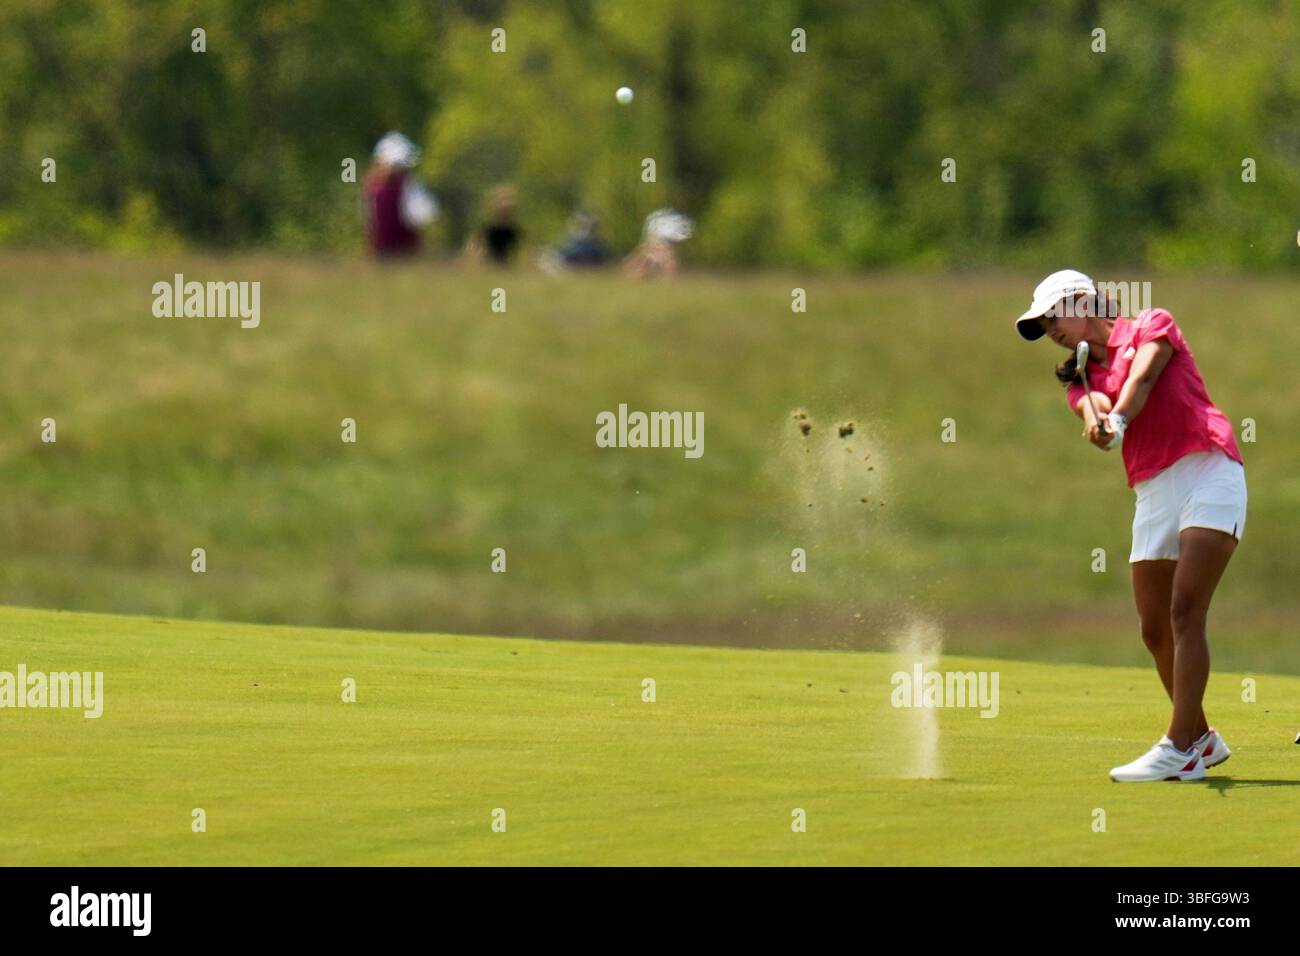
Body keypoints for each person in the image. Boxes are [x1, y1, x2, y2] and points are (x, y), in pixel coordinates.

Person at [1015, 269, 1246, 782]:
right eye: (1041, 325)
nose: (1049, 329)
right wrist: (1098, 424)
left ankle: (1179, 747)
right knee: (1154, 627)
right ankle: (1204, 740)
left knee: (1186, 610)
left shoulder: (1151, 324)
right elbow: (1091, 413)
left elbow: (1142, 377)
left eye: (1053, 316)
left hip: (1208, 468)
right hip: (1153, 490)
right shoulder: (1078, 381)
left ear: (1082, 301)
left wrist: (1117, 418)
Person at [363, 131, 438, 258]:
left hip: (401, 249)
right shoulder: (377, 185)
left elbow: (422, 214)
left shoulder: (406, 184)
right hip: (388, 249)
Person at [623, 208, 693, 278]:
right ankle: (633, 273)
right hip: (659, 235)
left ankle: (633, 272)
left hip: (659, 235)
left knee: (661, 258)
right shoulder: (663, 224)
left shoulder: (662, 223)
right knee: (665, 259)